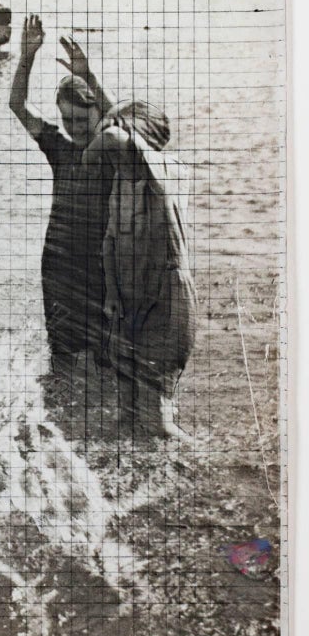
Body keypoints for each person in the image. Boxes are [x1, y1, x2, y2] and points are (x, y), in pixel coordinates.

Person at [9, 15, 117, 387]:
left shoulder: (112, 148)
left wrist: (88, 77)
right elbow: (17, 104)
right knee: (64, 354)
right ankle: (62, 415)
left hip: (102, 260)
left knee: (108, 355)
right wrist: (27, 57)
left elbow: (126, 124)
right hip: (58, 261)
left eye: (83, 120)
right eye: (68, 120)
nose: (75, 128)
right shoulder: (58, 145)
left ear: (98, 115)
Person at [84, 100, 196, 441]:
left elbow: (115, 138)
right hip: (128, 299)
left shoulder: (168, 173)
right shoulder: (121, 183)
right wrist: (114, 295)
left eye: (121, 153)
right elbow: (110, 243)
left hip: (167, 302)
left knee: (157, 415)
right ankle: (126, 480)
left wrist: (95, 145)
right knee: (127, 412)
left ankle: (199, 469)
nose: (115, 161)